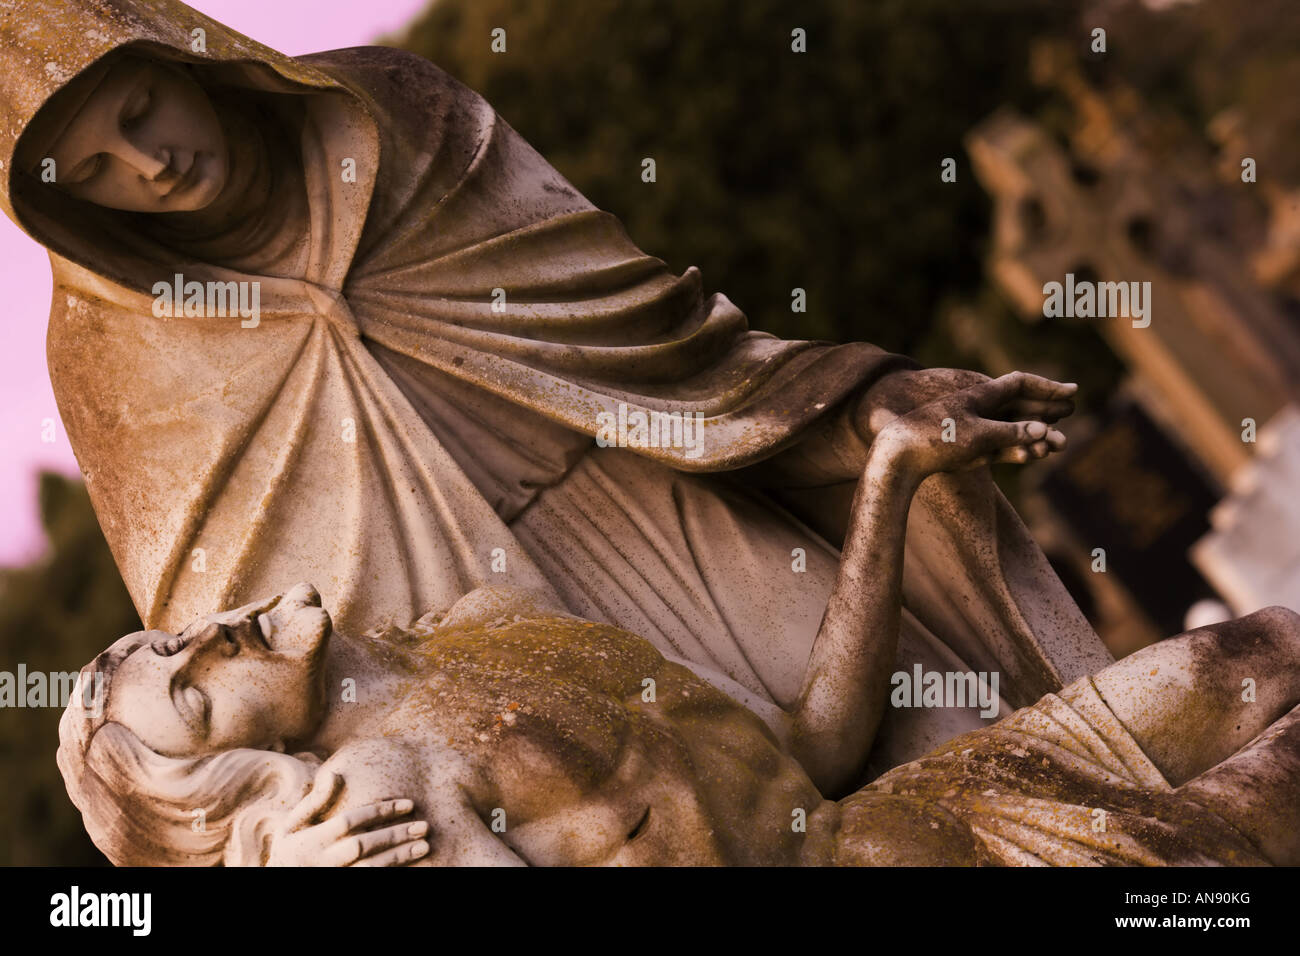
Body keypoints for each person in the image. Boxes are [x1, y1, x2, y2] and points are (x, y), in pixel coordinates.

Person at [2, 0, 1108, 773]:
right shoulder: (114, 366)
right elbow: (228, 646)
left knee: (967, 751)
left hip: (666, 506)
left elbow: (667, 345)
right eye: (95, 170)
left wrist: (865, 411)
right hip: (504, 686)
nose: (147, 166)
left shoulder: (389, 119)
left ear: (183, 55)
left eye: (141, 111)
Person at [58, 373, 1300, 866]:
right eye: (192, 692)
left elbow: (811, 747)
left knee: (1264, 648)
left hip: (914, 816)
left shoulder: (482, 624)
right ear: (235, 777)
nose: (203, 641)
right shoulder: (384, 810)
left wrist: (886, 484)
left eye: (171, 638)